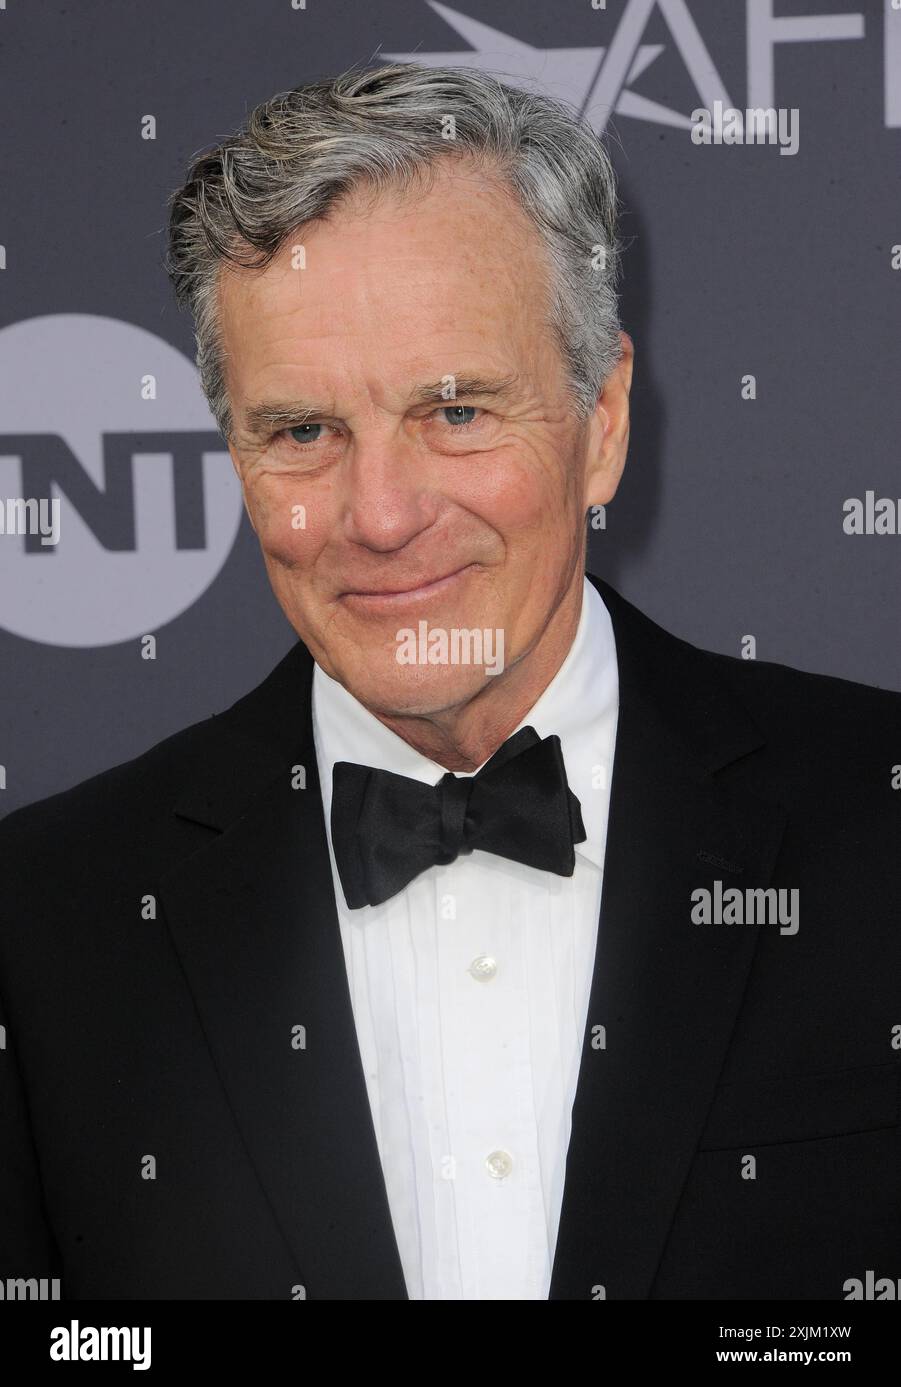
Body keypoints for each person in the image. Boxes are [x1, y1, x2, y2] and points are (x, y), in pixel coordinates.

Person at [1, 62, 898, 1301]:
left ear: (604, 420)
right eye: (303, 432)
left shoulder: (878, 826)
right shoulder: (47, 922)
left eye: (457, 411)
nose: (377, 516)